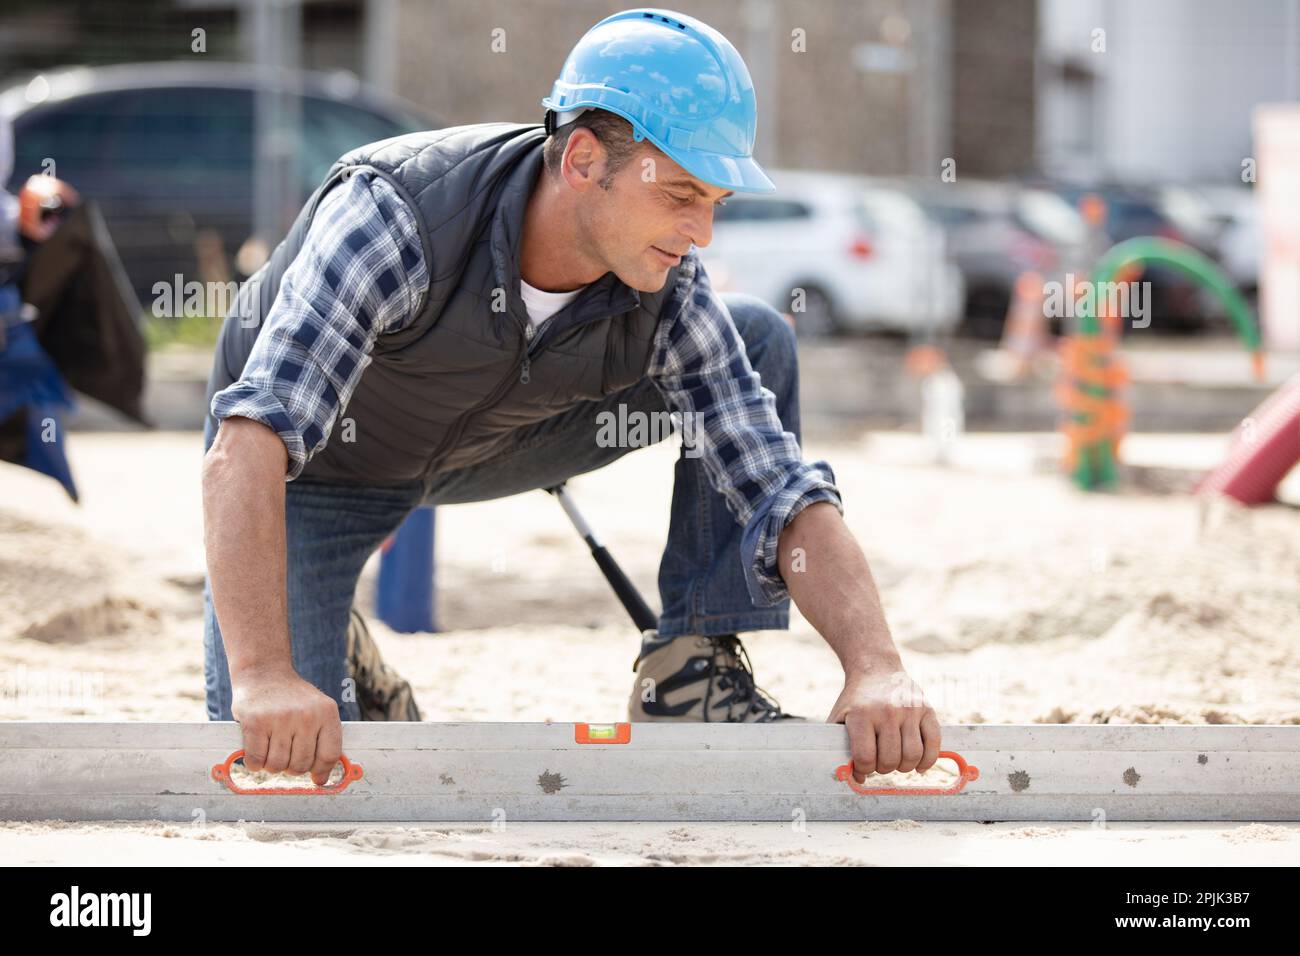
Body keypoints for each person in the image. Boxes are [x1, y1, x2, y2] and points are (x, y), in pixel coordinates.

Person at [202, 7, 941, 787]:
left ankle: (689, 670)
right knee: (286, 764)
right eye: (681, 193)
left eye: (715, 202)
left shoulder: (669, 288)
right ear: (584, 159)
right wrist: (263, 675)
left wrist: (876, 667)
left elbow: (778, 486)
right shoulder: (396, 215)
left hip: (503, 436)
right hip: (321, 471)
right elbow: (245, 447)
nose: (702, 233)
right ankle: (332, 645)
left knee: (753, 334)